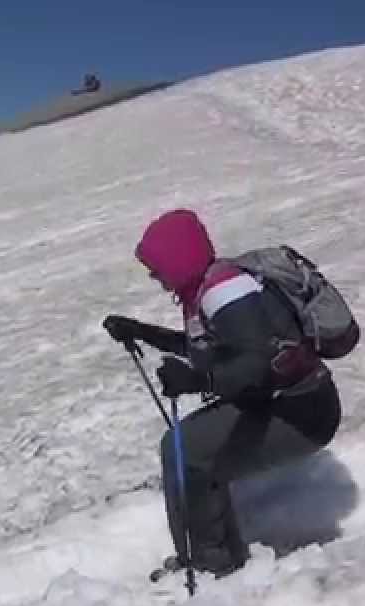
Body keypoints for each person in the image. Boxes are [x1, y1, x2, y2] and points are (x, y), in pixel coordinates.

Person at [102, 208, 343, 578]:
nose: (154, 275)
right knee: (189, 450)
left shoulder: (223, 290)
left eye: (157, 265)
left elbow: (259, 363)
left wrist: (198, 382)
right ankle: (215, 557)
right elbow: (212, 348)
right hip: (292, 403)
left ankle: (213, 566)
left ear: (177, 256)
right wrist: (142, 332)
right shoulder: (208, 289)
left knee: (186, 452)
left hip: (301, 411)